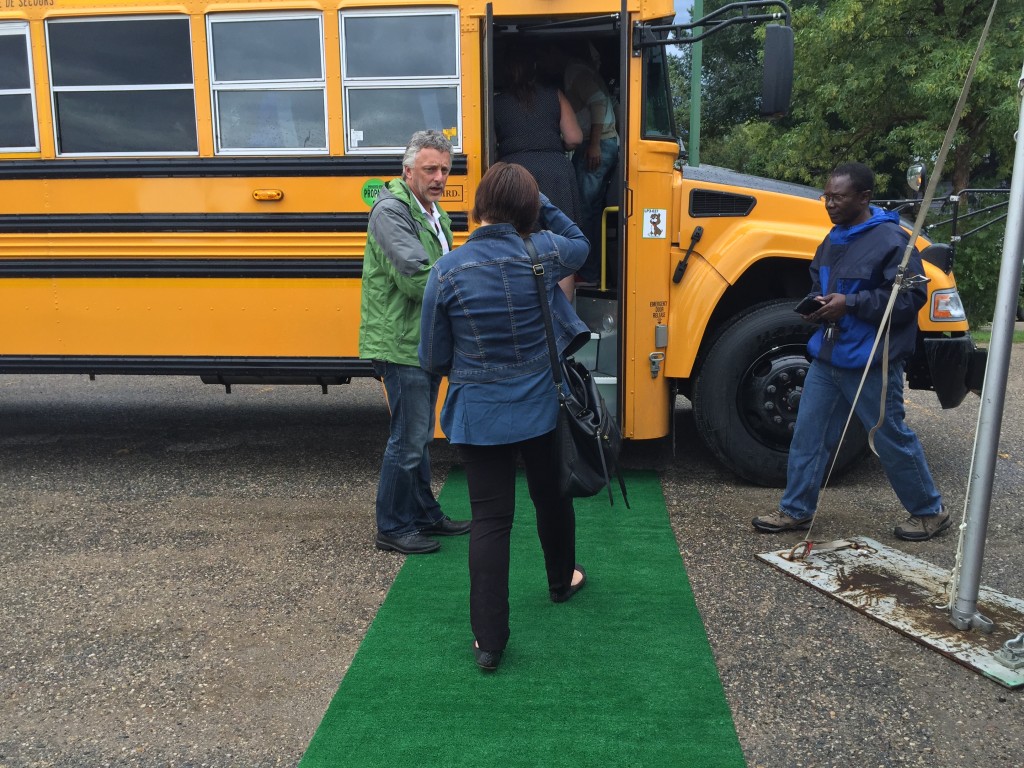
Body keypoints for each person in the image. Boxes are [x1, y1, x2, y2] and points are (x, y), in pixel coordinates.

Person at [419, 163, 591, 671]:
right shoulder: (545, 251)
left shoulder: (447, 270)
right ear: (530, 211)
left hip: (479, 411)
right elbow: (579, 240)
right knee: (551, 497)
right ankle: (561, 582)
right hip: (541, 405)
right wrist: (542, 207)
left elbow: (433, 356)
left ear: (476, 208)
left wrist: (475, 372)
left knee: (491, 522)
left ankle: (490, 642)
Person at [752, 162, 949, 542]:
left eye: (838, 197)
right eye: (827, 196)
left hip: (871, 359)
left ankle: (929, 512)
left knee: (888, 435)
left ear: (864, 197)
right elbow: (817, 278)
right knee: (808, 435)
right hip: (828, 355)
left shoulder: (894, 240)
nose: (829, 204)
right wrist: (818, 304)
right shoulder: (833, 238)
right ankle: (795, 510)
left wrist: (851, 303)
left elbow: (910, 299)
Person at [359, 130, 471, 555]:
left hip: (422, 339)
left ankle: (423, 513)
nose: (440, 177)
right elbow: (416, 277)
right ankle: (391, 526)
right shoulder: (390, 211)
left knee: (420, 435)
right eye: (430, 169)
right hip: (400, 342)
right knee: (408, 439)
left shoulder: (434, 212)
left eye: (445, 169)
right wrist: (469, 299)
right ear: (408, 171)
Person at [493, 45, 583, 300]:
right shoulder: (554, 95)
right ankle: (561, 319)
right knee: (560, 245)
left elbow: (488, 146)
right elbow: (575, 137)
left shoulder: (497, 103)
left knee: (519, 243)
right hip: (556, 173)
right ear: (535, 69)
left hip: (515, 175)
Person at [559, 46, 620, 285]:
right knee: (589, 209)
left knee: (584, 211)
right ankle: (589, 271)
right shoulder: (582, 71)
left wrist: (594, 144)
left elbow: (597, 103)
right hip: (600, 142)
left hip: (597, 143)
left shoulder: (575, 72)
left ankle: (589, 273)